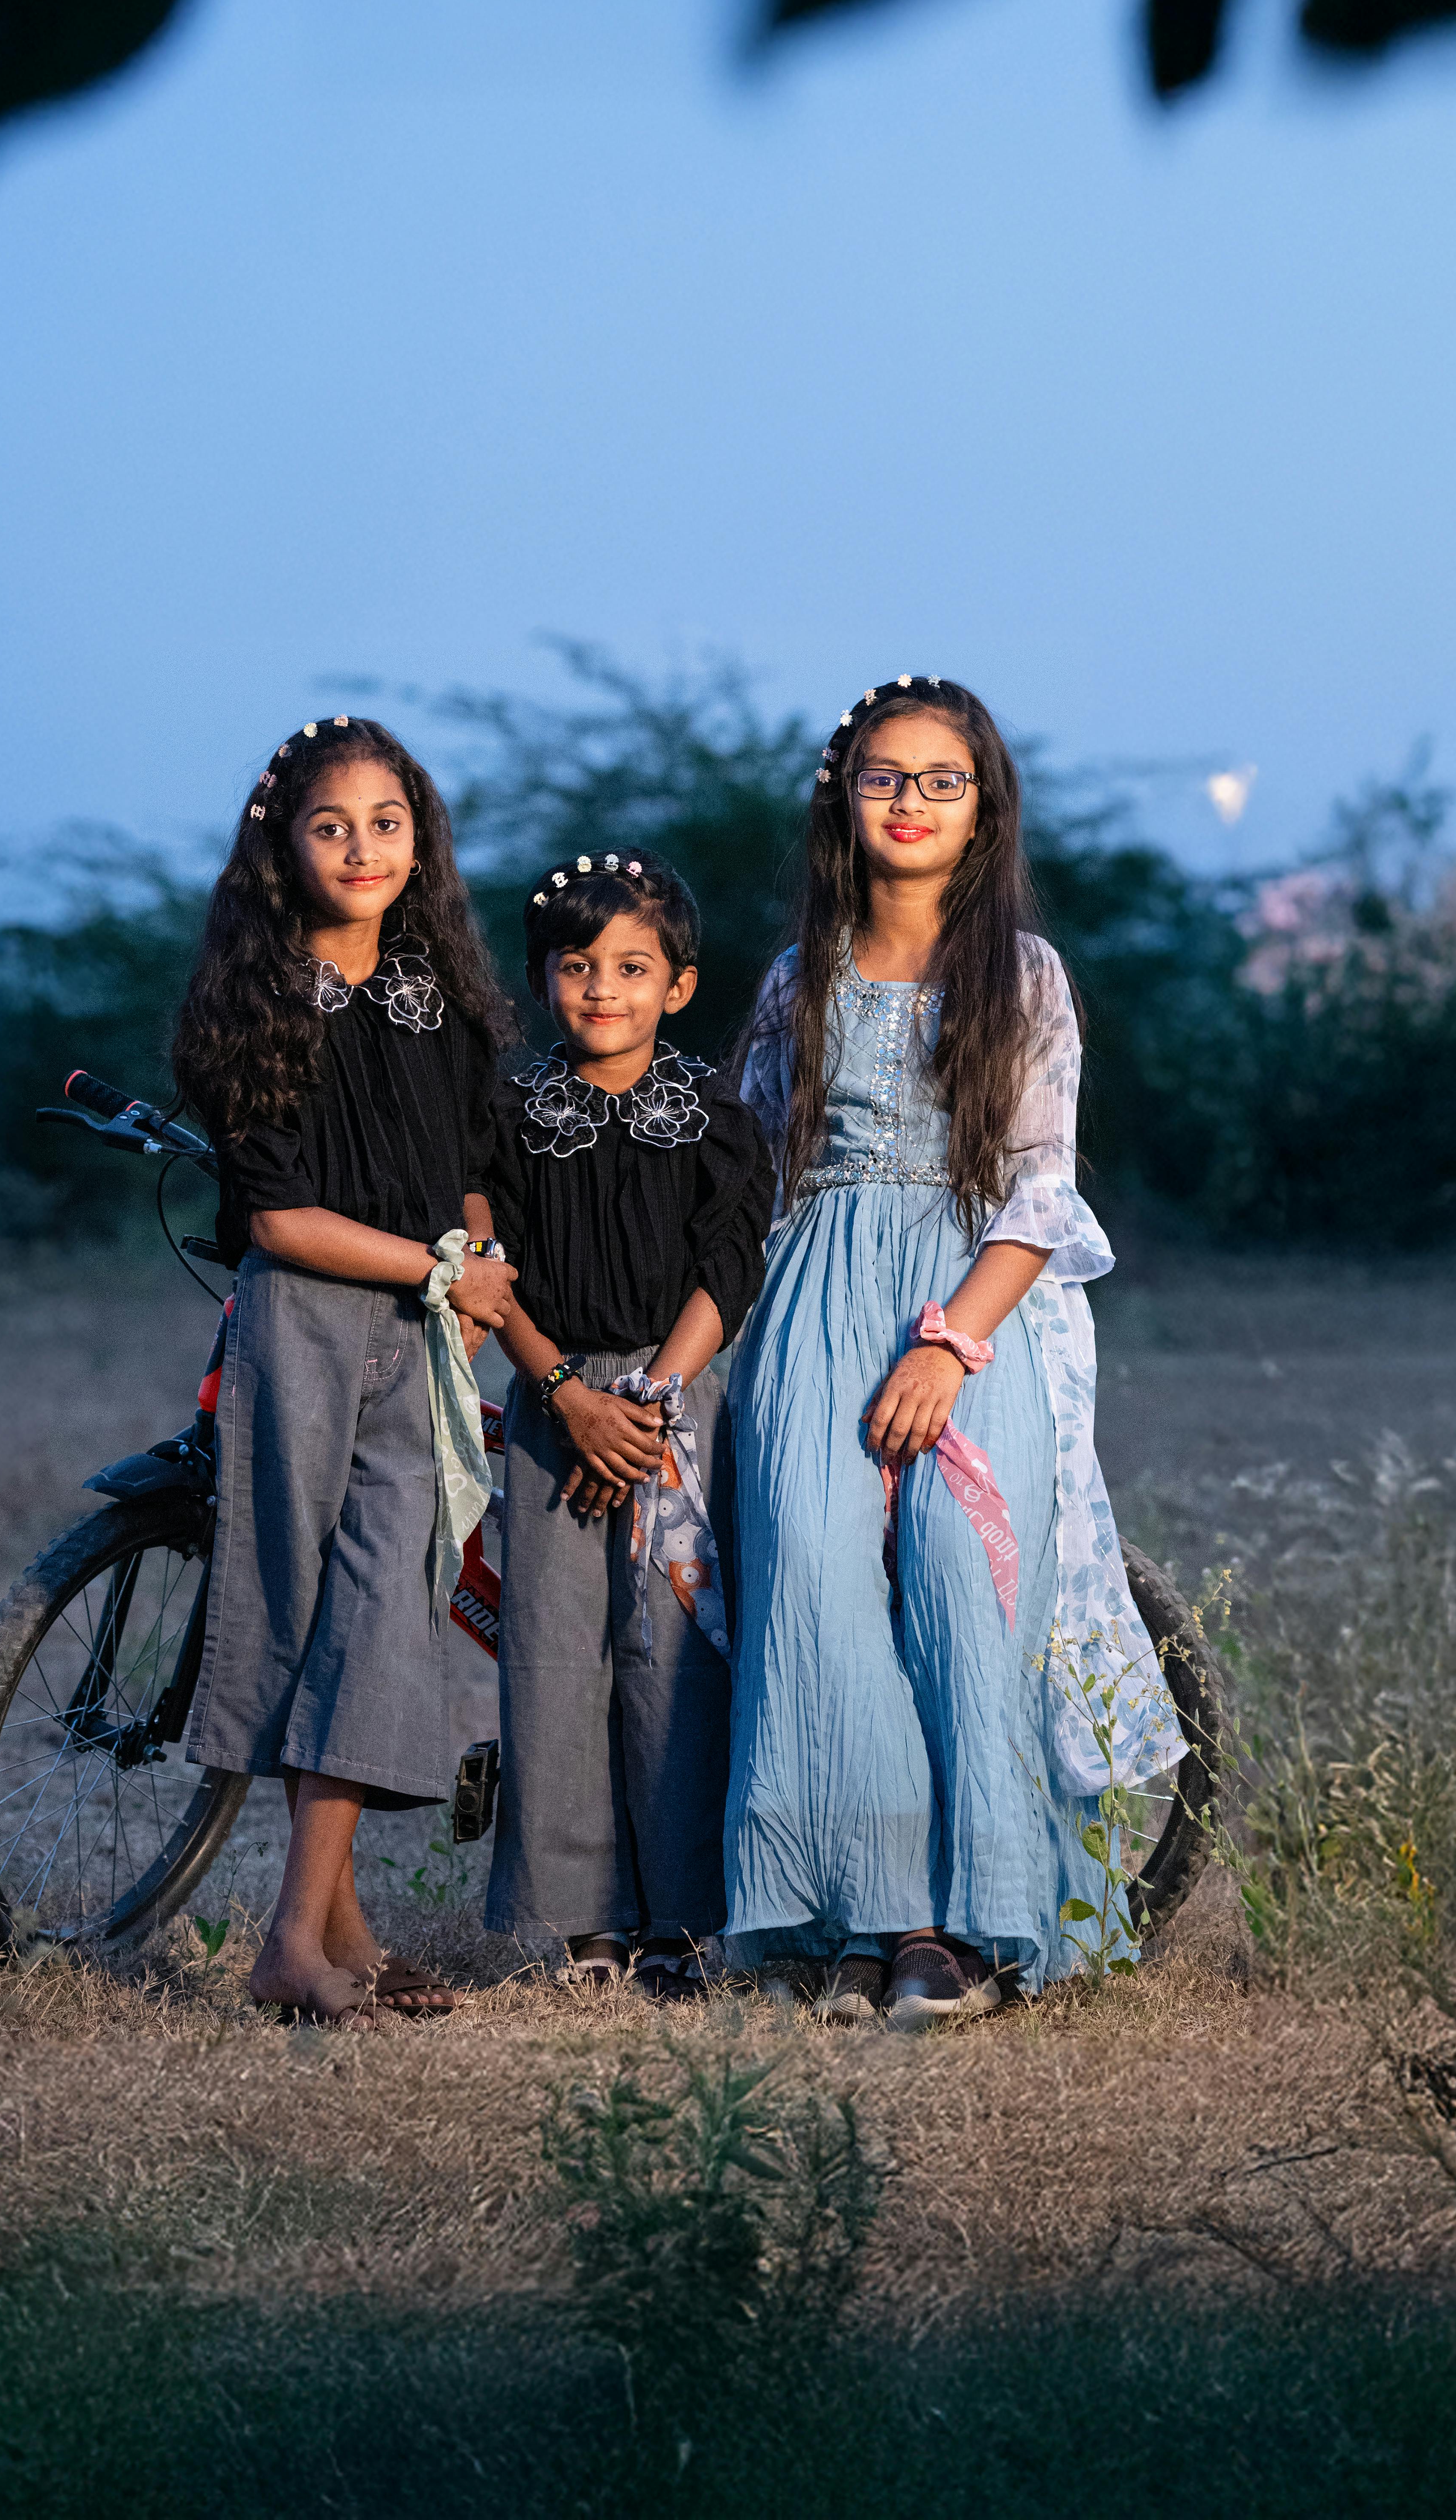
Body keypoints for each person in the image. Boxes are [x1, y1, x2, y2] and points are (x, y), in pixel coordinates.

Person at [725, 676, 1183, 2031]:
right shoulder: (797, 984)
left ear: (984, 807)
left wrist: (948, 1347)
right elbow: (751, 1175)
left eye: (943, 780)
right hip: (814, 1287)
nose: (911, 803)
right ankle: (878, 1916)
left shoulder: (1023, 977)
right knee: (807, 1556)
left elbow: (1043, 1194)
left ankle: (980, 1919)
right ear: (842, 797)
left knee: (949, 1560)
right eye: (883, 776)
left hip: (979, 1299)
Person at [172, 715, 518, 2026]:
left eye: (386, 822)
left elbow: (473, 1167)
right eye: (331, 825)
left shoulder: (443, 1003)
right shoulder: (256, 1007)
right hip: (305, 1328)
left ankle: (306, 1939)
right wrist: (441, 1273)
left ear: (419, 836)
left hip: (422, 1340)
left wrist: (476, 1268)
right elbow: (277, 1220)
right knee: (300, 1606)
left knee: (384, 1612)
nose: (362, 847)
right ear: (283, 843)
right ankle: (322, 1937)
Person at [484, 852, 773, 2000]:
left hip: (674, 1407)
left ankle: (684, 1921)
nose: (602, 988)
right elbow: (491, 1270)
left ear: (680, 987)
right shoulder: (507, 1116)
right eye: (577, 965)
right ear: (546, 979)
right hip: (554, 1402)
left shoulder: (717, 1121)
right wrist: (568, 1393)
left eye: (632, 967)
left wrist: (646, 1407)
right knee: (553, 1655)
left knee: (671, 1659)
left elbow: (729, 1267)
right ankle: (579, 1924)